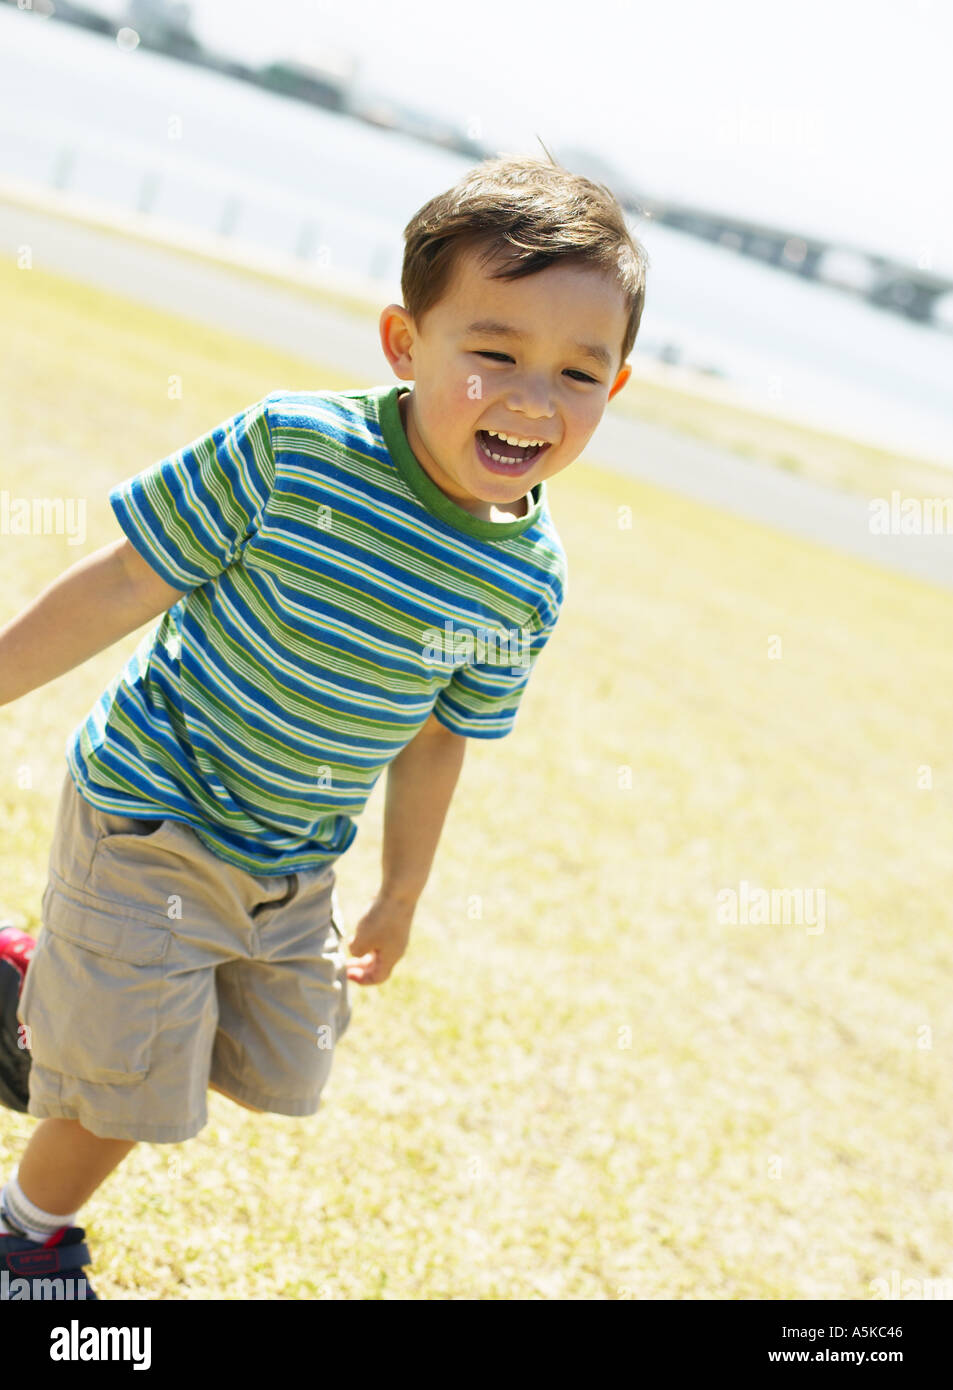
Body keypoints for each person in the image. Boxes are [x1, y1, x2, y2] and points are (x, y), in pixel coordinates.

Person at [0, 150, 648, 1299]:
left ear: (617, 388)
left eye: (576, 373)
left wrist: (401, 892)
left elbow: (440, 735)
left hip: (293, 859)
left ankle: (37, 985)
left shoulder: (523, 580)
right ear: (405, 344)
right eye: (492, 353)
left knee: (270, 1058)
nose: (530, 398)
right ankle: (26, 1236)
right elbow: (121, 583)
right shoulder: (294, 450)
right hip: (154, 808)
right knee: (138, 1081)